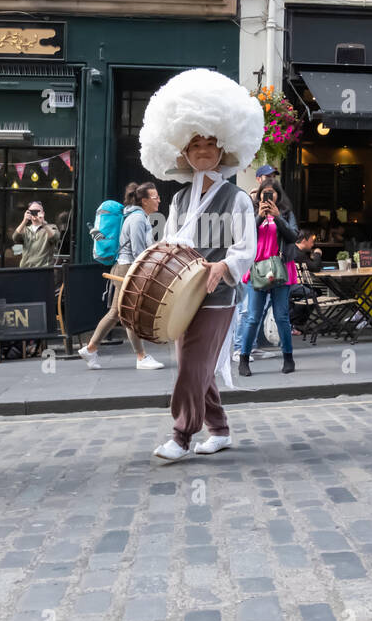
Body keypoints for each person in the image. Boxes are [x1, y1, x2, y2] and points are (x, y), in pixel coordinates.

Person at [138, 68, 259, 462]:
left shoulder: (237, 198)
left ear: (223, 148)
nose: (203, 148)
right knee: (197, 363)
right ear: (184, 152)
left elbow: (248, 248)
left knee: (190, 364)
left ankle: (181, 435)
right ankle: (219, 430)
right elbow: (172, 243)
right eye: (195, 142)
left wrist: (224, 266)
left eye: (211, 141)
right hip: (181, 293)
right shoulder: (177, 201)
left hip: (218, 295)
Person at [79, 181, 164, 370]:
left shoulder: (138, 217)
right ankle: (141, 357)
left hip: (125, 268)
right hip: (128, 269)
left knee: (119, 313)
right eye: (155, 196)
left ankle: (91, 349)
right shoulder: (138, 219)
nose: (159, 200)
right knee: (128, 314)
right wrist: (145, 274)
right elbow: (138, 251)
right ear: (144, 201)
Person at [237, 181, 299, 376]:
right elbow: (243, 238)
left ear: (278, 196)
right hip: (257, 270)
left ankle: (288, 358)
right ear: (259, 196)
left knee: (282, 317)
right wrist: (259, 218)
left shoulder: (286, 213)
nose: (267, 198)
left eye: (271, 194)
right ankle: (243, 359)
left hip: (280, 270)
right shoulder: (252, 214)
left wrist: (278, 217)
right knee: (252, 317)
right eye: (265, 194)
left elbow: (293, 236)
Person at [13, 201, 60, 267]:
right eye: (32, 211)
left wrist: (44, 224)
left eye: (38, 211)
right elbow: (15, 238)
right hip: (26, 269)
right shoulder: (25, 229)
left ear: (43, 213)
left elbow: (55, 238)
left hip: (44, 270)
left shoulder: (51, 227)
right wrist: (24, 221)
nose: (35, 213)